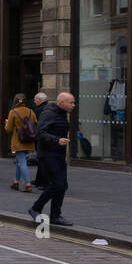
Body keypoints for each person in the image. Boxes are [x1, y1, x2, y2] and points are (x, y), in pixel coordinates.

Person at [29, 92, 76, 226]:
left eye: (73, 102)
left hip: (59, 154)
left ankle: (55, 215)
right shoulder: (49, 113)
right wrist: (57, 140)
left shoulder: (62, 113)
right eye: (71, 102)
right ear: (61, 103)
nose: (74, 105)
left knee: (62, 186)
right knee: (57, 184)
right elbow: (40, 133)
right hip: (48, 154)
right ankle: (36, 208)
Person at [4, 93, 36, 193]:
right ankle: (16, 182)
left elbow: (8, 129)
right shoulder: (31, 111)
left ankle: (27, 184)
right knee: (19, 162)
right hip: (29, 139)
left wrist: (6, 123)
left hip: (18, 141)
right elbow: (35, 124)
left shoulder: (13, 112)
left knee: (22, 162)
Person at [31, 91, 50, 187]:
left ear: (40, 100)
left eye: (35, 99)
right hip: (45, 136)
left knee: (42, 159)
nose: (34, 101)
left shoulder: (39, 110)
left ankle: (43, 182)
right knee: (41, 159)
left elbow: (36, 123)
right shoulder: (47, 107)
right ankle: (39, 179)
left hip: (41, 137)